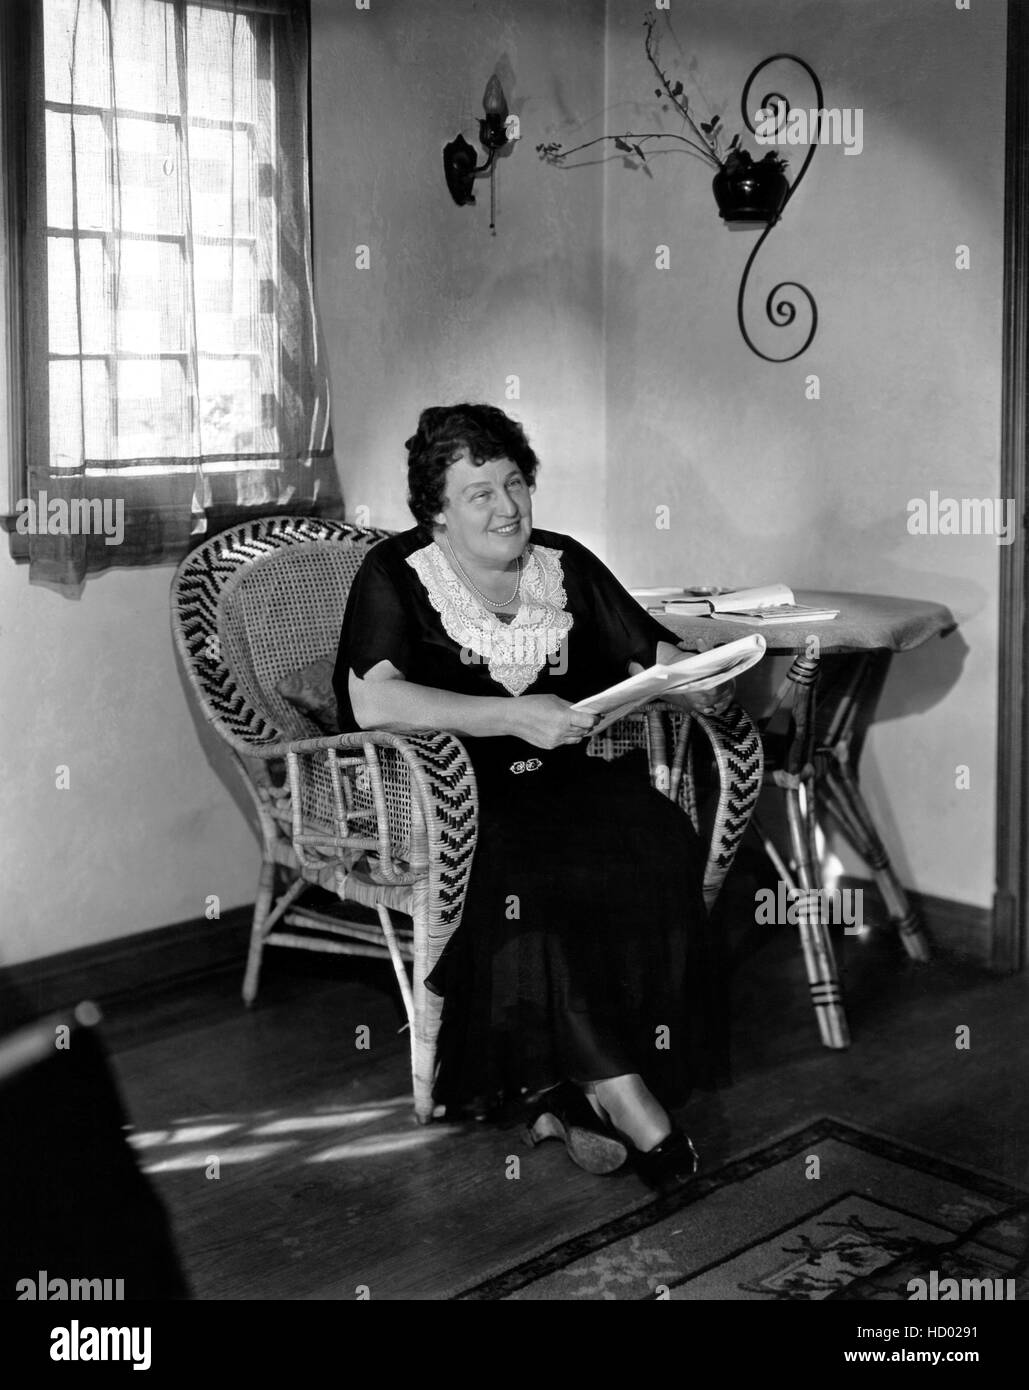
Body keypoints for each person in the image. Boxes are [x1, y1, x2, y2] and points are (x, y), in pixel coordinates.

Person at [332, 404, 734, 1195]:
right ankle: (624, 1097)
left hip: (571, 774)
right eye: (477, 492)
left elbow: (645, 646)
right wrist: (515, 715)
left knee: (656, 836)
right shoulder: (395, 573)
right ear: (436, 510)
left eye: (514, 482)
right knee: (531, 874)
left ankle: (577, 1082)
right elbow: (374, 700)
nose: (506, 507)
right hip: (458, 791)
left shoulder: (564, 563)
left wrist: (703, 673)